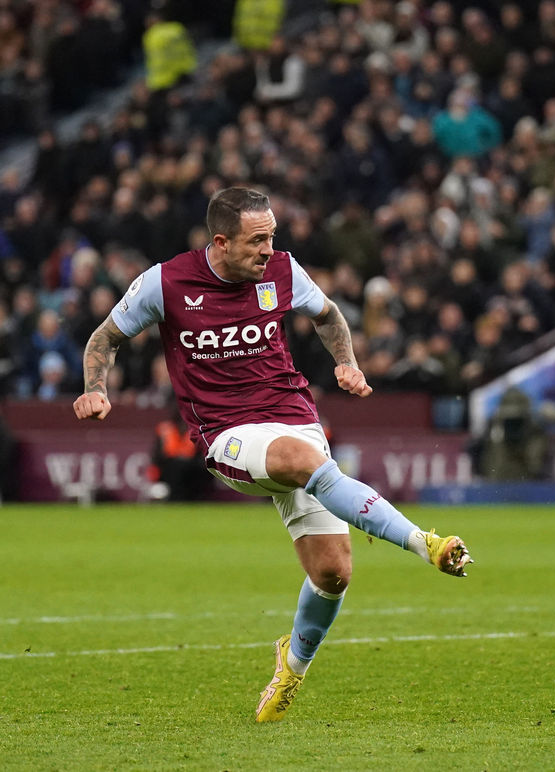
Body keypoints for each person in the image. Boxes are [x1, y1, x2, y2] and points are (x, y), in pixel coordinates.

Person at [73, 188, 473, 721]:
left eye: (272, 237)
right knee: (301, 461)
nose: (268, 249)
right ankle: (425, 543)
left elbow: (328, 316)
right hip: (227, 432)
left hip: (295, 417)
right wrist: (94, 386)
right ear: (220, 241)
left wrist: (346, 363)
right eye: (257, 240)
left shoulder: (283, 271)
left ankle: (291, 669)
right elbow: (104, 338)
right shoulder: (164, 282)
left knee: (333, 573)